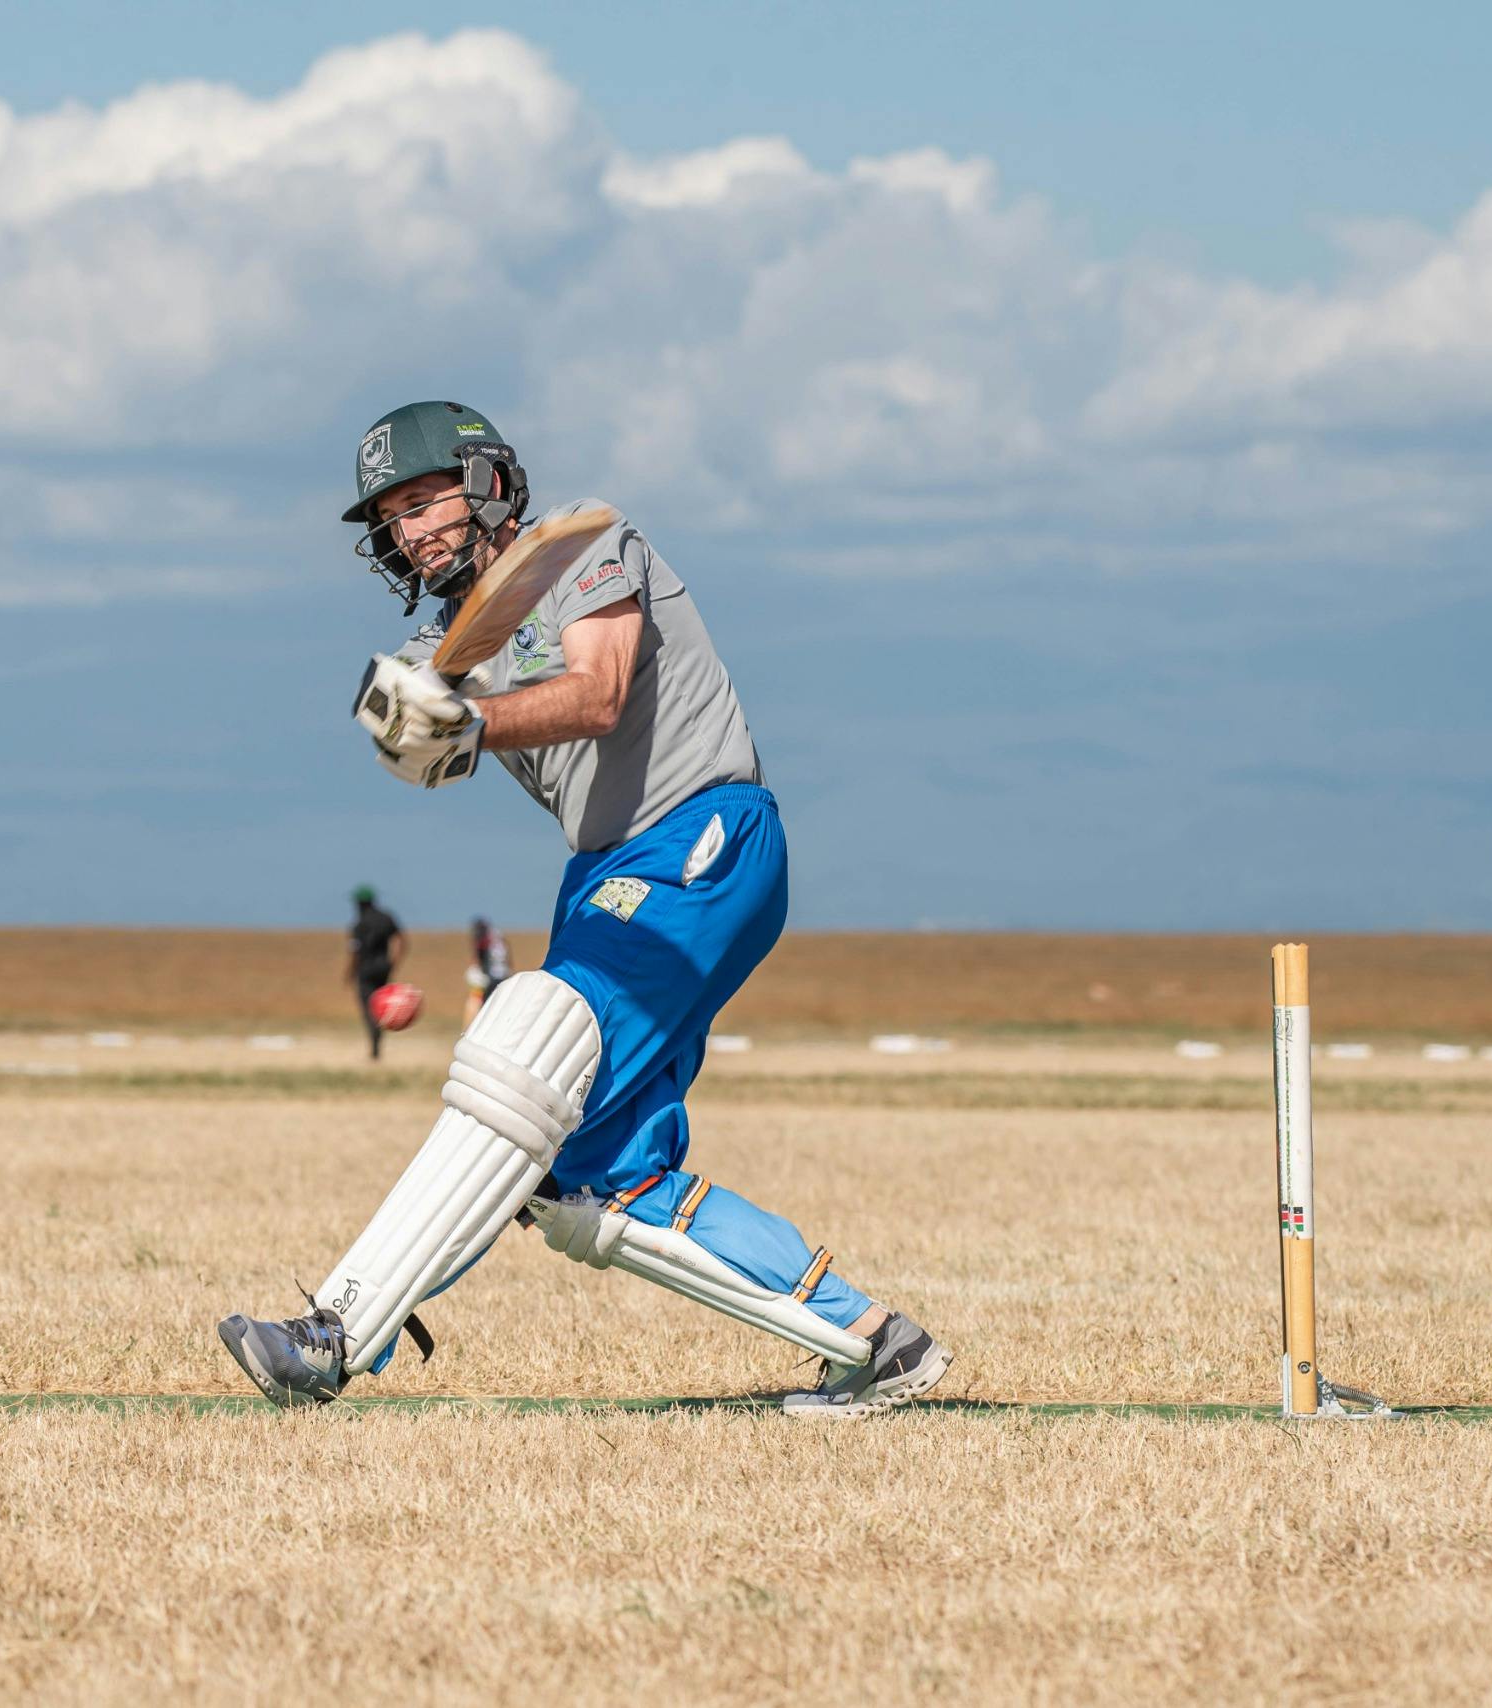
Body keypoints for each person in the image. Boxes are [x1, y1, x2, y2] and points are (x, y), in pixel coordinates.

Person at [219, 401, 951, 1418]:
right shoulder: (449, 642)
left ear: (488, 485)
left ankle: (335, 1333)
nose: (411, 531)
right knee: (587, 1179)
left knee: (526, 1045)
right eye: (391, 518)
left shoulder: (583, 546)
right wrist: (415, 723)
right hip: (606, 870)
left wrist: (466, 722)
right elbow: (438, 724)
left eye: (425, 500)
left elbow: (598, 691)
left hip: (697, 832)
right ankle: (874, 1343)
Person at [344, 886, 408, 1059]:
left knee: (369, 1008)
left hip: (365, 970)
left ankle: (375, 1040)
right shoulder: (386, 918)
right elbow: (401, 939)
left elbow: (355, 952)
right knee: (381, 1003)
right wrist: (394, 961)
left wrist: (349, 973)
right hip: (383, 968)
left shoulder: (359, 924)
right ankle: (379, 1032)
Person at [463, 914, 511, 1025]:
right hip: (504, 975)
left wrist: (476, 965)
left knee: (478, 1001)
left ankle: (472, 1027)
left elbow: (480, 955)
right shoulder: (500, 937)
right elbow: (508, 957)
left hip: (490, 977)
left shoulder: (484, 937)